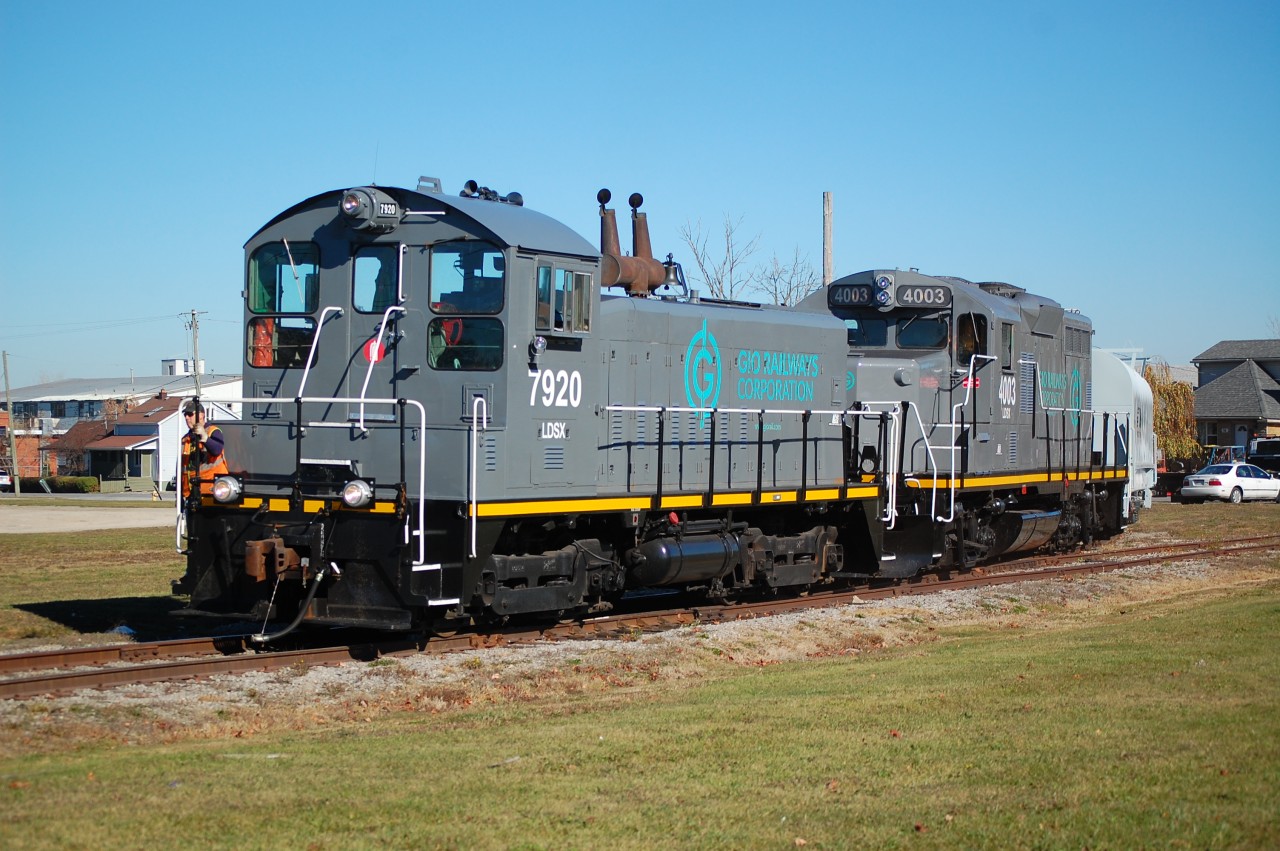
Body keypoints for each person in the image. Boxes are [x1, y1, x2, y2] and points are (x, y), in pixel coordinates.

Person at [180, 401, 227, 500]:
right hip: (190, 494)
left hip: (212, 491)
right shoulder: (185, 439)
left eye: (190, 414)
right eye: (185, 415)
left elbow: (217, 450)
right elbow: (182, 468)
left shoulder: (213, 432)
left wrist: (205, 437)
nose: (186, 418)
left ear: (201, 415)